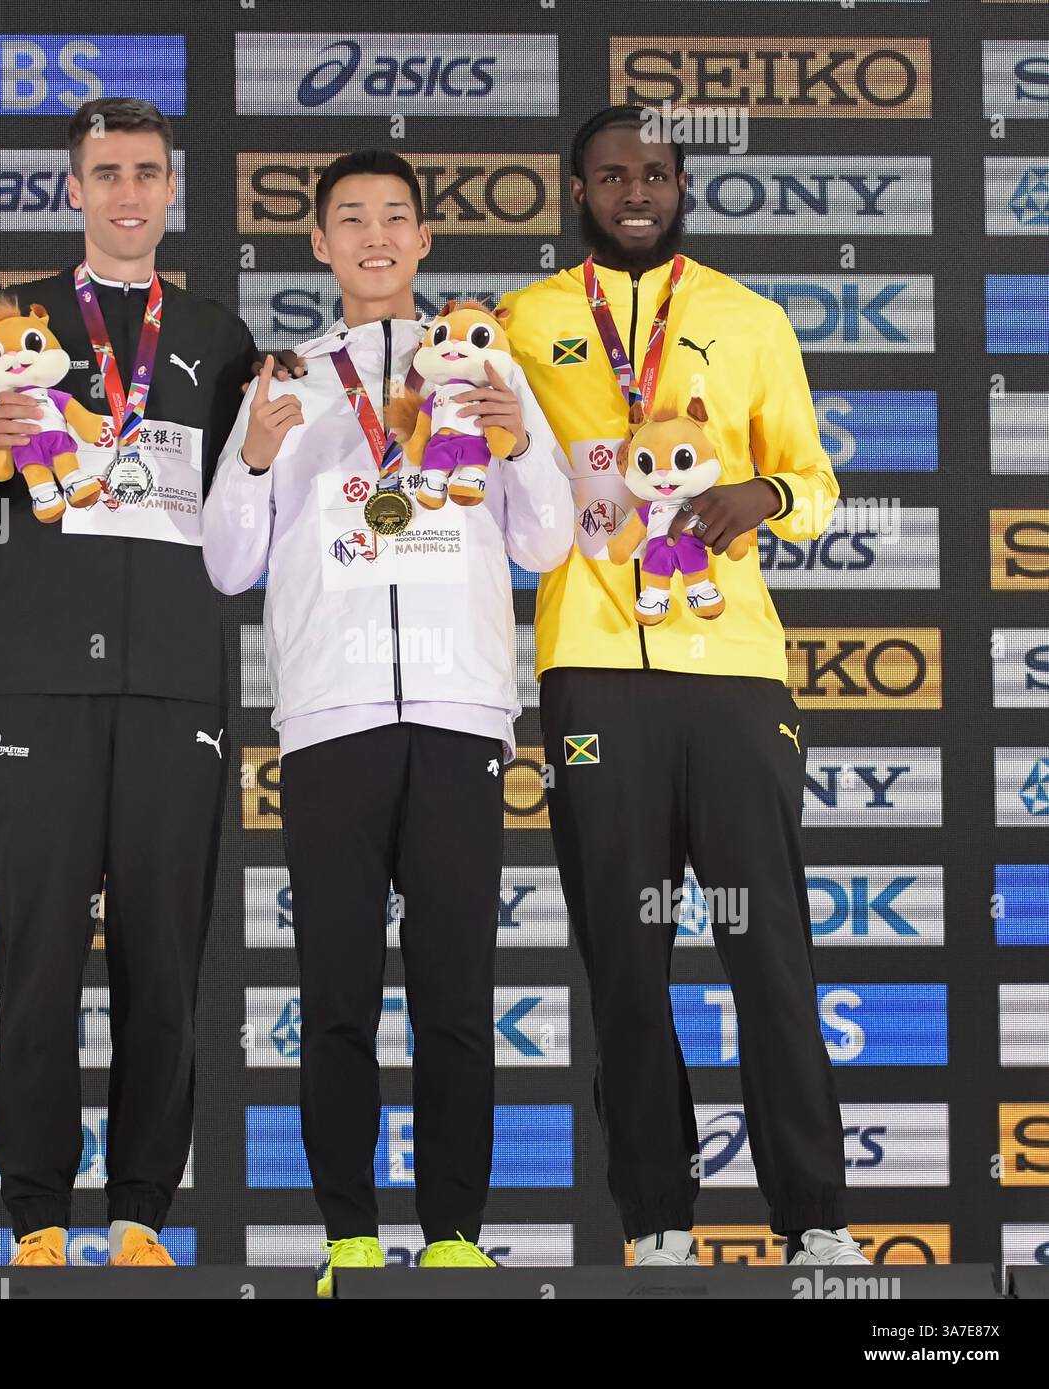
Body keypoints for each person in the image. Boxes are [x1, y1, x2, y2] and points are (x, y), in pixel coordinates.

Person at [497, 105, 870, 1268]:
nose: (636, 192)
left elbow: (813, 480)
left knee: (771, 952)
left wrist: (763, 499)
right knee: (625, 952)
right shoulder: (523, 322)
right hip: (593, 668)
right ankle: (656, 1226)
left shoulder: (747, 319)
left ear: (684, 182)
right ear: (577, 192)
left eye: (655, 172)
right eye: (611, 176)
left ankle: (816, 1223)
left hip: (733, 668)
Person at [203, 150, 572, 1295]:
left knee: (458, 996)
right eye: (349, 219)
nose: (373, 236)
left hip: (461, 718)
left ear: (421, 243)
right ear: (317, 246)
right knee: (338, 1002)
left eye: (395, 218)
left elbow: (547, 543)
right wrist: (257, 460)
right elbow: (225, 564)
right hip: (329, 723)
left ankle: (456, 1236)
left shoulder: (484, 371)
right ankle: (350, 1240)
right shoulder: (285, 380)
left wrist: (512, 441)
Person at [0, 96, 264, 1268]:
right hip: (37, 685)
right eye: (105, 173)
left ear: (172, 190)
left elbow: (251, 515)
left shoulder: (217, 332)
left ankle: (141, 1217)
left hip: (175, 684)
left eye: (146, 173)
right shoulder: (12, 327)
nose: (126, 194)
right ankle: (39, 1220)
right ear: (73, 189)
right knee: (39, 956)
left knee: (164, 958)